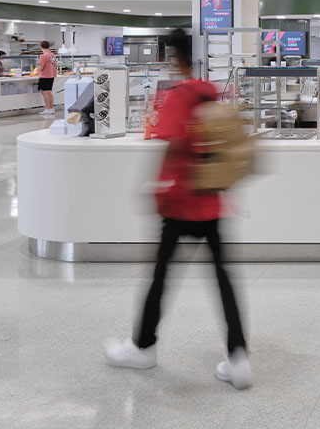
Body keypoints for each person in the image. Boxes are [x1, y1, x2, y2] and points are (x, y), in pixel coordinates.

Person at [103, 28, 251, 389]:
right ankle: (239, 358)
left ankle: (143, 347)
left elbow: (170, 145)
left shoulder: (179, 97)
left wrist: (153, 187)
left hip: (181, 201)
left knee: (160, 277)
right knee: (223, 279)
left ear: (174, 57)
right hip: (213, 200)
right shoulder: (212, 92)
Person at [36, 40, 57, 115]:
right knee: (49, 92)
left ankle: (48, 108)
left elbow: (41, 66)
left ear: (41, 47)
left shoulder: (43, 56)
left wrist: (37, 70)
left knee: (44, 92)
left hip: (44, 76)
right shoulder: (52, 55)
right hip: (51, 75)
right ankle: (51, 108)